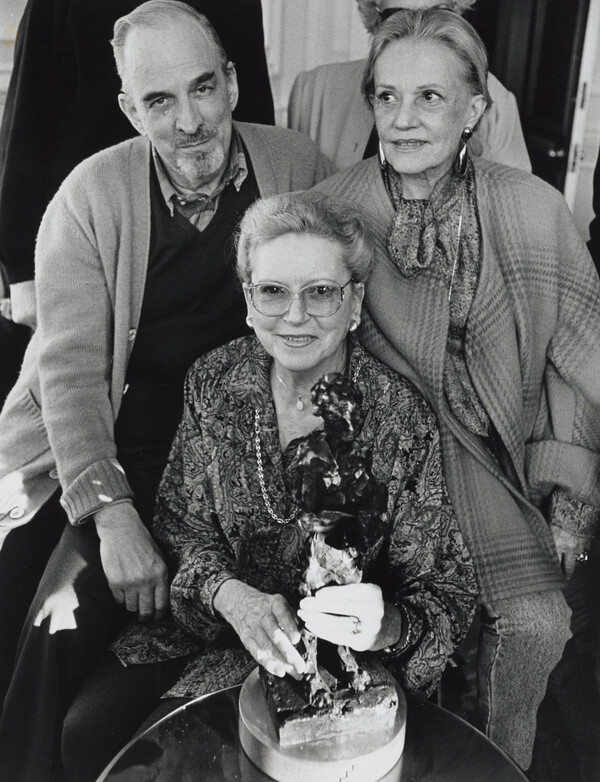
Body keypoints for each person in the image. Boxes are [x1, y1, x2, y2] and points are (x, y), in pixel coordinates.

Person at [0, 2, 334, 779]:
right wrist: (111, 515)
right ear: (130, 110)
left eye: (203, 88)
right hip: (128, 454)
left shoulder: (298, 168)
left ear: (233, 83)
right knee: (46, 633)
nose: (189, 121)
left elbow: (343, 299)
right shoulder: (90, 195)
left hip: (241, 470)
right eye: (159, 101)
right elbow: (71, 375)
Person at [61, 190, 478, 780]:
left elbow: (447, 594)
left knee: (187, 767)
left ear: (355, 303)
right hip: (211, 634)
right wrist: (229, 596)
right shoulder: (214, 382)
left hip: (335, 674)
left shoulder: (399, 419)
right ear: (248, 302)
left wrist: (385, 623)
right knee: (86, 730)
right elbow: (181, 532)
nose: (295, 316)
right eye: (273, 291)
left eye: (321, 292)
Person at [313, 9, 600, 775]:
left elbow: (577, 362)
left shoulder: (533, 210)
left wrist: (566, 498)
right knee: (370, 627)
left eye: (430, 98)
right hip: (384, 470)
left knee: (539, 623)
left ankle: (499, 764)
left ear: (474, 110)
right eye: (386, 96)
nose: (403, 119)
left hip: (498, 470)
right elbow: (302, 355)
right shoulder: (333, 211)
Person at [0, 0, 276, 332]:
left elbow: (257, 119)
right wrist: (21, 273)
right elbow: (25, 123)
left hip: (215, 226)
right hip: (93, 238)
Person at [288, 0, 531, 173]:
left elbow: (512, 205)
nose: (416, 30)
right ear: (376, 18)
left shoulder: (495, 99)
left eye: (437, 15)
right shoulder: (314, 89)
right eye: (398, 16)